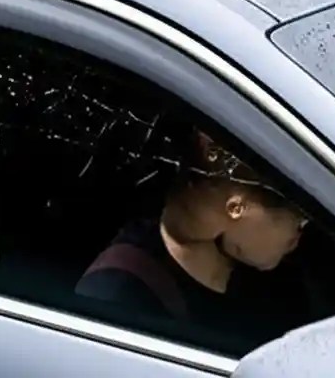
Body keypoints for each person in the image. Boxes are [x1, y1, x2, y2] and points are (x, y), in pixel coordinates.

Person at [75, 128, 309, 354]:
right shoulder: (118, 298)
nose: (297, 240)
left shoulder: (273, 283)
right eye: (300, 222)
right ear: (238, 208)